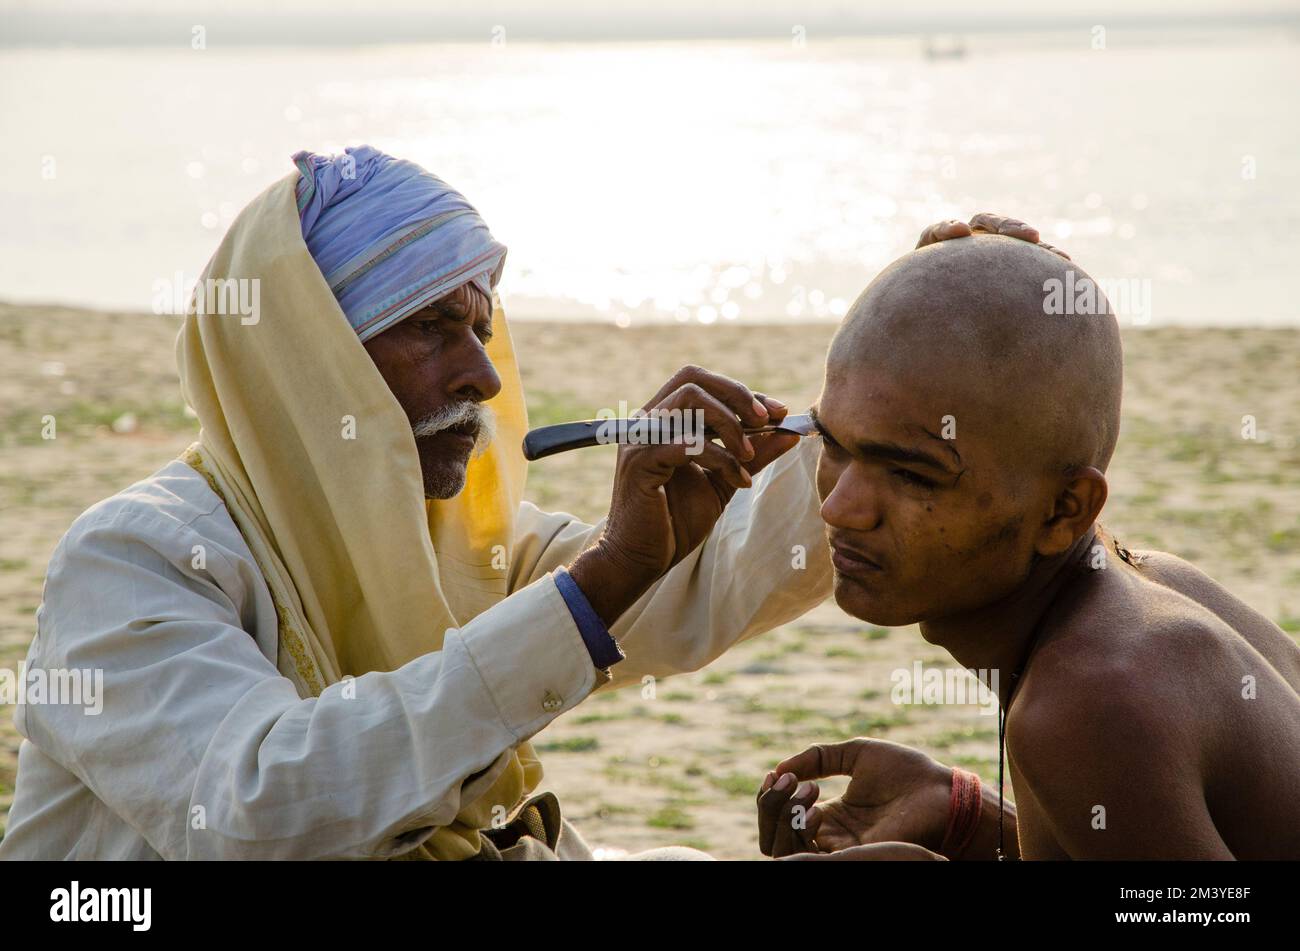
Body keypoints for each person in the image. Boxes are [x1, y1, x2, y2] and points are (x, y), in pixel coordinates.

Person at [757, 234, 1300, 860]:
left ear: (1064, 510)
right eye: (832, 443)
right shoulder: (1153, 589)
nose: (837, 507)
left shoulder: (1091, 699)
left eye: (911, 474)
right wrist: (966, 820)